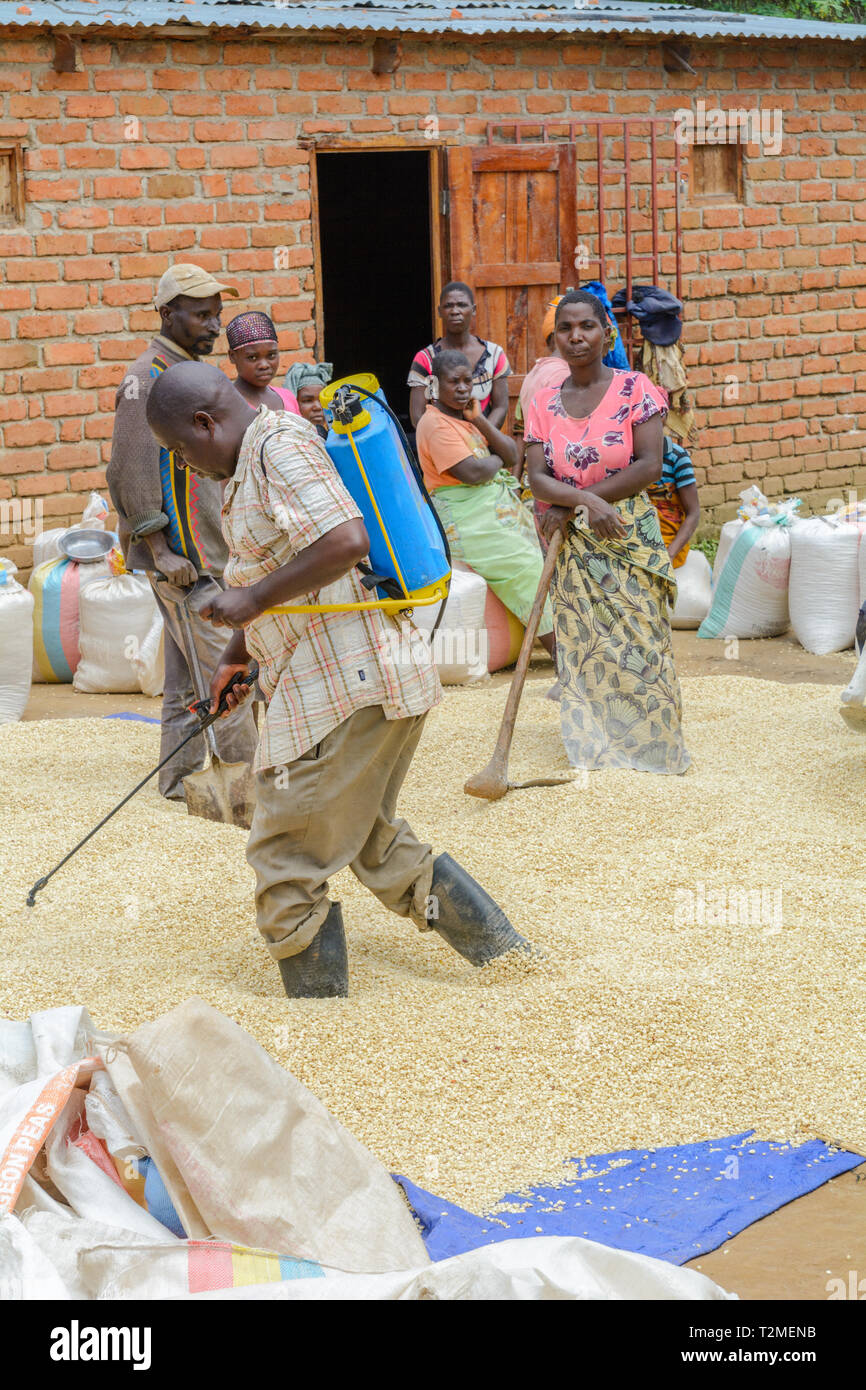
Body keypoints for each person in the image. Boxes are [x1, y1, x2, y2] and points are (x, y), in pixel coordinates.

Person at [144, 361, 531, 999]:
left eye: (181, 452)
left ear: (205, 423)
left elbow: (346, 541)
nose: (185, 466)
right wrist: (239, 652)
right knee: (370, 840)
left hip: (348, 685)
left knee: (287, 852)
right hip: (354, 679)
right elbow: (275, 566)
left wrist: (251, 601)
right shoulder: (249, 464)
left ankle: (320, 1016)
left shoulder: (280, 447)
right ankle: (505, 956)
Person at [106, 262, 258, 801]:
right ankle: (250, 790)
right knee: (227, 675)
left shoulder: (187, 369)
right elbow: (129, 467)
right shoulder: (147, 377)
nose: (214, 325)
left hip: (203, 557)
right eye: (200, 315)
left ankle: (176, 784)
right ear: (166, 314)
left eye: (217, 314)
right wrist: (157, 547)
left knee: (186, 677)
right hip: (184, 562)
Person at [524, 289, 691, 775]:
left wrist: (578, 499)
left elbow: (649, 466)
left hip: (626, 534)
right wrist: (585, 502)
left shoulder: (636, 389)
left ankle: (656, 751)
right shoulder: (543, 404)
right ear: (555, 338)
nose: (575, 338)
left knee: (641, 640)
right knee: (585, 644)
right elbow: (536, 476)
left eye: (586, 327)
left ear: (606, 333)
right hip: (574, 543)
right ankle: (598, 751)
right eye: (565, 329)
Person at [415, 350, 557, 675]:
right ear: (435, 384)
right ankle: (560, 653)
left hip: (489, 513)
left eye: (469, 381)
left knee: (538, 560)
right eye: (454, 382)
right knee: (526, 568)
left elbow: (509, 453)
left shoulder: (464, 419)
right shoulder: (434, 423)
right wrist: (494, 464)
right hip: (468, 520)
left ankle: (559, 642)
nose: (464, 388)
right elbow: (473, 473)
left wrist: (478, 418)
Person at [408, 282, 510, 429]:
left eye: (462, 305)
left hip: (485, 442)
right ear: (439, 312)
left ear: (473, 310)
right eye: (448, 306)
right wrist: (450, 443)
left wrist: (482, 439)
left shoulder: (494, 354)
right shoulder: (425, 359)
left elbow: (500, 407)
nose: (455, 311)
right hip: (443, 444)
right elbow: (417, 417)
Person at [225, 312, 301, 415]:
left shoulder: (288, 397)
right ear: (232, 356)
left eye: (271, 356)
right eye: (252, 357)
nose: (264, 365)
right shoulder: (227, 405)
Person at [648, 437, 700, 568]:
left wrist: (669, 555)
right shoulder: (626, 455)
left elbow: (693, 513)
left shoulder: (676, 456)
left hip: (669, 545)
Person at [283, 361, 333, 440]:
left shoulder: (332, 437)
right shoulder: (287, 440)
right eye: (308, 400)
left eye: (321, 400)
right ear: (293, 403)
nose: (318, 407)